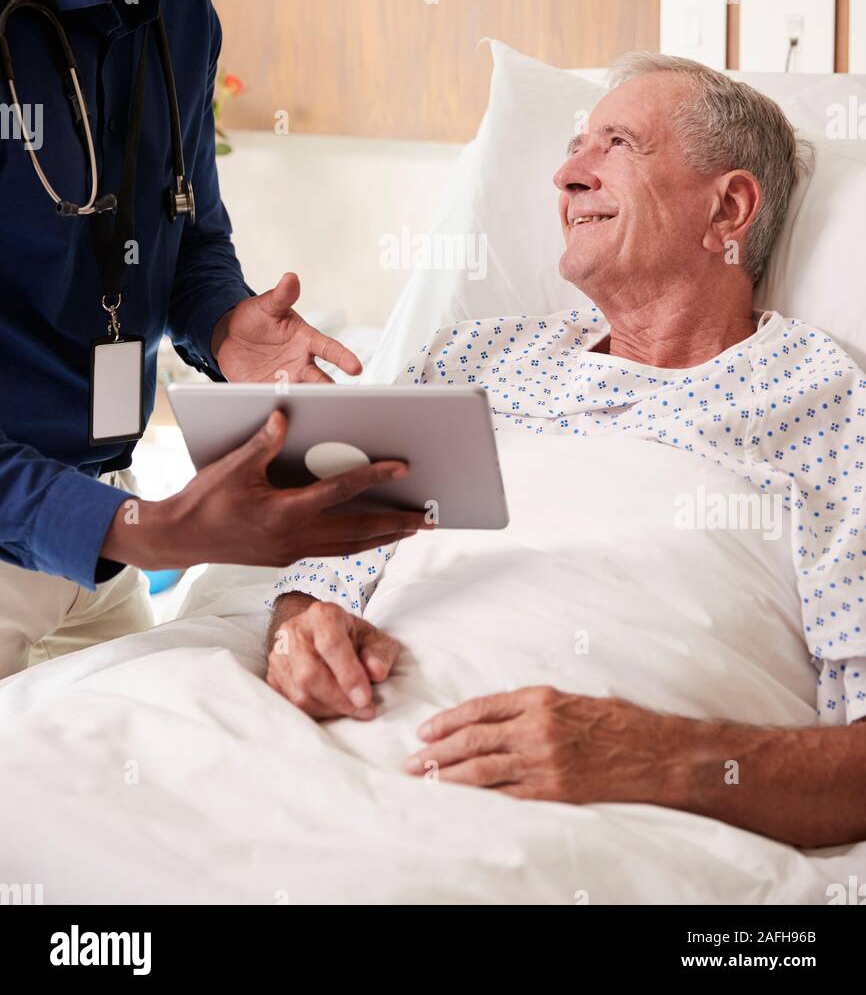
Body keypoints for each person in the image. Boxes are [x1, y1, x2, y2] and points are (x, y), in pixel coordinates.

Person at [265, 54, 866, 848]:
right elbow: (320, 578)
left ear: (728, 211)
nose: (565, 175)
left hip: (609, 828)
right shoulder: (464, 360)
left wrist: (658, 759)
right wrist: (303, 634)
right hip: (331, 761)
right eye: (574, 144)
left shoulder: (826, 408)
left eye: (615, 144)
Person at [0, 0, 425, 678]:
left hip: (96, 552)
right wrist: (152, 529)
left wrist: (224, 320)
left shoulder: (176, 11)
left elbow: (191, 233)